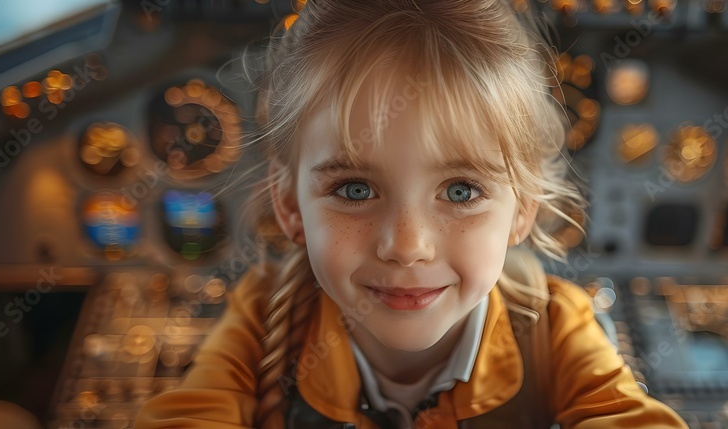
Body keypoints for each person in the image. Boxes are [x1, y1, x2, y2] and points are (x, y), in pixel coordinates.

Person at [135, 0, 688, 427]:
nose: (406, 246)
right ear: (289, 204)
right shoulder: (262, 317)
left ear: (523, 208)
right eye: (355, 189)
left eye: (461, 191)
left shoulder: (557, 329)